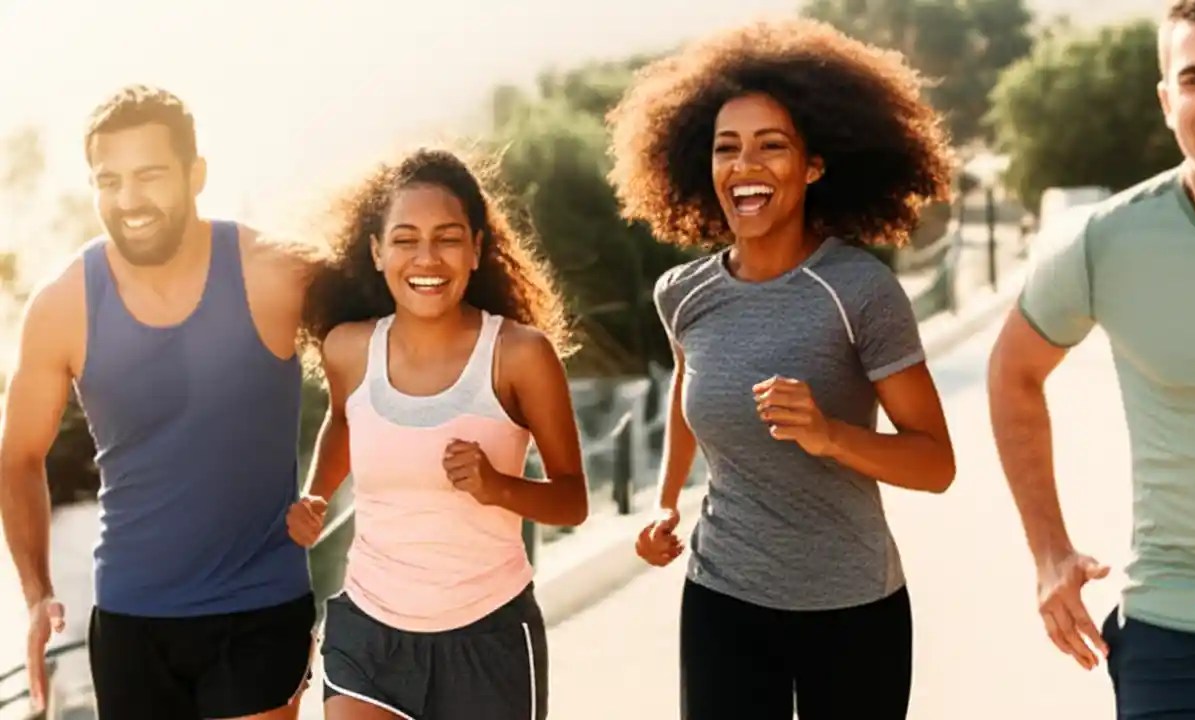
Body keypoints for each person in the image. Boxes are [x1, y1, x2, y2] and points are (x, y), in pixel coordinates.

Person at [605, 18, 957, 720]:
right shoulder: (684, 294)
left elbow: (936, 464)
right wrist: (666, 501)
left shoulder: (858, 291)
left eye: (773, 147)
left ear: (814, 166)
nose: (746, 166)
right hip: (722, 600)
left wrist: (831, 435)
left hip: (852, 607)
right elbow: (686, 390)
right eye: (726, 149)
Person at [987, 0, 1195, 717]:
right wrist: (1049, 552)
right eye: (1194, 78)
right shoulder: (1103, 242)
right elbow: (1014, 372)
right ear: (1165, 99)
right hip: (1180, 641)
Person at [0, 86, 318, 718]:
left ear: (195, 175)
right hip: (130, 620)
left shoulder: (276, 272)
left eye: (149, 175)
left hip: (260, 607)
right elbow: (18, 457)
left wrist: (324, 488)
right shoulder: (63, 303)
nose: (129, 199)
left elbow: (375, 373)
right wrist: (36, 594)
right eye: (108, 180)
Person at [287, 147, 588, 720]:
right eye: (404, 239)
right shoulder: (348, 349)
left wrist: (498, 486)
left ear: (477, 248)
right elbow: (345, 422)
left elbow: (572, 498)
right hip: (369, 635)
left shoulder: (520, 356)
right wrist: (317, 496)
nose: (426, 257)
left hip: (488, 637)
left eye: (448, 237)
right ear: (377, 252)